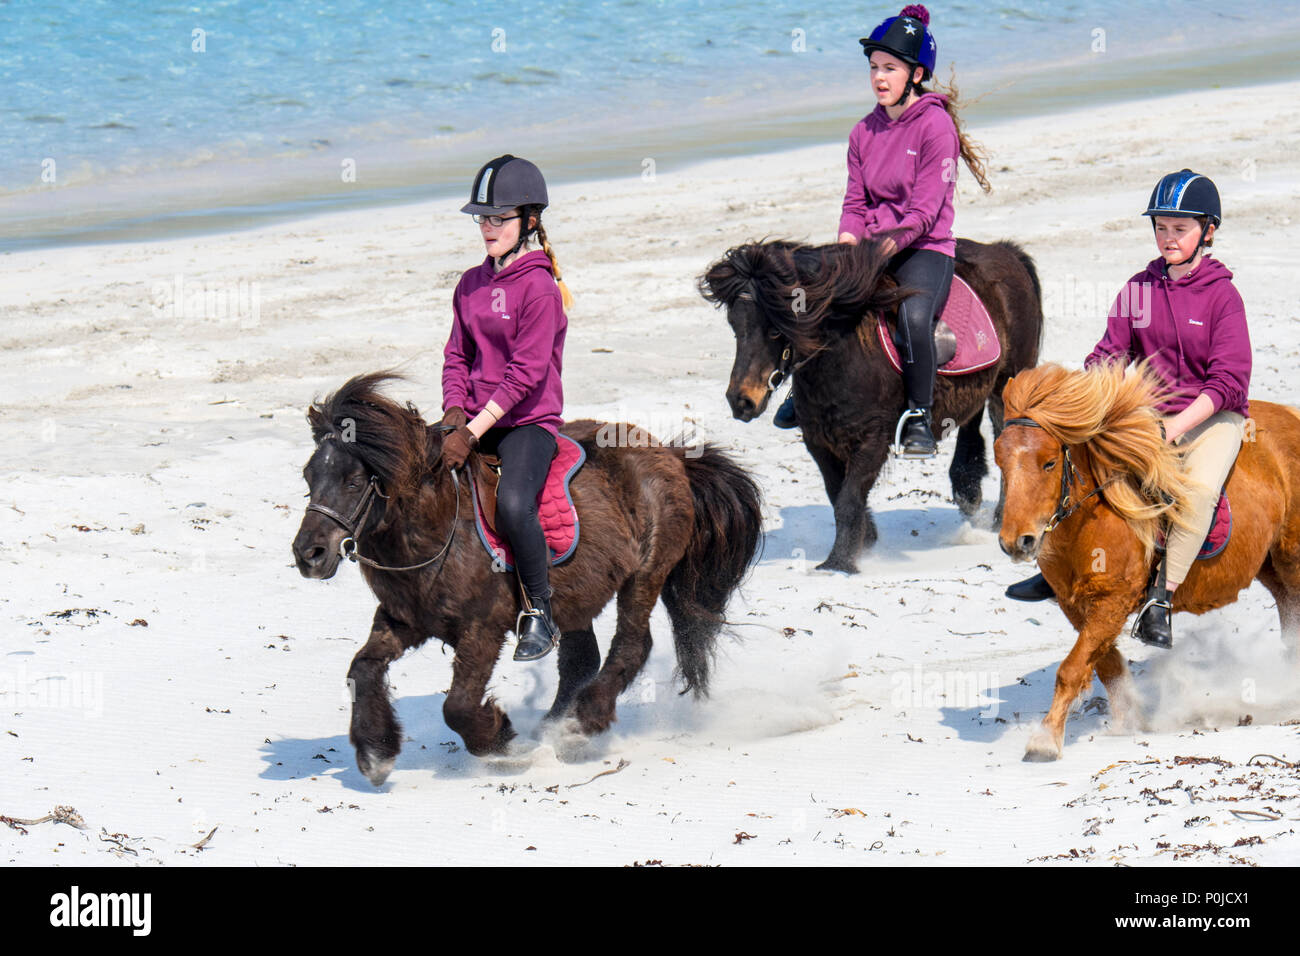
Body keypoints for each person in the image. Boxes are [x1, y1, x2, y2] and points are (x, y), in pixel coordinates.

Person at [1006, 170, 1251, 651]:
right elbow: (1108, 354)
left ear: (1208, 231)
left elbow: (1228, 381)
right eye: (1161, 227)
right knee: (1078, 466)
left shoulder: (1224, 297)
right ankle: (1056, 569)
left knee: (1197, 492)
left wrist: (1175, 427)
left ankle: (1161, 598)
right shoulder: (1139, 290)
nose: (1168, 238)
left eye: (1180, 228)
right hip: (1147, 414)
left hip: (1211, 416)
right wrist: (1087, 396)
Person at [774, 3, 991, 458]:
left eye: (890, 68)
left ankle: (918, 414)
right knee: (813, 296)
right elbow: (855, 204)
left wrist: (878, 250)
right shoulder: (861, 133)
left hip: (925, 249)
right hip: (871, 247)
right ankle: (803, 392)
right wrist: (847, 248)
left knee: (913, 318)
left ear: (915, 75)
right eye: (874, 68)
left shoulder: (936, 127)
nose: (879, 78)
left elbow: (925, 213)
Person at [439, 154, 574, 662]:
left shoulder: (539, 288)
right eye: (482, 218)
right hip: (470, 418)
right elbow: (457, 355)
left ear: (529, 221)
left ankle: (539, 611)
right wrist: (454, 412)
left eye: (498, 218)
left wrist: (472, 431)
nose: (487, 228)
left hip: (525, 423)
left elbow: (525, 374)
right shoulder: (470, 283)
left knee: (515, 504)